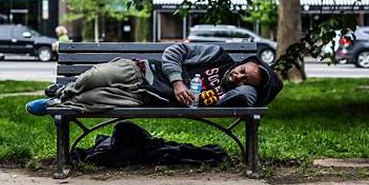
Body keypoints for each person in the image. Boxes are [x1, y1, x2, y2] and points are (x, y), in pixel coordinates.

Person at [26, 43, 283, 115]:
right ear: (242, 63)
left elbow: (247, 98)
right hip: (140, 71)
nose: (238, 76)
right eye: (242, 70)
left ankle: (54, 105)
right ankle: (64, 90)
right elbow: (175, 51)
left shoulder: (230, 95)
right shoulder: (218, 56)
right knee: (96, 76)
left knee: (93, 101)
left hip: (142, 97)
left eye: (245, 80)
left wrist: (252, 89)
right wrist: (177, 81)